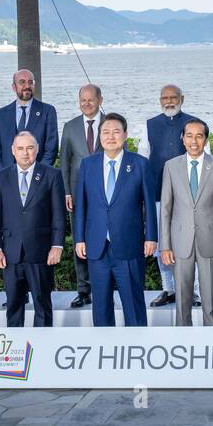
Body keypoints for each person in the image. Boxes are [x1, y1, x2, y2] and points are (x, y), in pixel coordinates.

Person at [74, 113, 157, 327]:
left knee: (134, 306)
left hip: (129, 246)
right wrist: (79, 239)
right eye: (106, 132)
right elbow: (81, 205)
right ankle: (105, 352)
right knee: (100, 308)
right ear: (100, 136)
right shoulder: (88, 165)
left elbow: (149, 203)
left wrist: (151, 238)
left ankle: (137, 352)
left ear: (126, 135)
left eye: (116, 131)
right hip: (97, 247)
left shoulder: (139, 164)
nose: (111, 136)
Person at [159, 119, 213, 327]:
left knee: (210, 302)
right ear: (182, 139)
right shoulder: (171, 167)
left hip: (210, 240)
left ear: (205, 139)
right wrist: (165, 246)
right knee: (182, 303)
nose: (194, 141)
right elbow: (165, 209)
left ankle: (211, 343)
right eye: (189, 135)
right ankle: (184, 345)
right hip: (180, 241)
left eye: (199, 136)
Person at [0, 131, 66, 327]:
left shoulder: (52, 175)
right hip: (11, 253)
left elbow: (58, 215)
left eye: (30, 148)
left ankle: (43, 347)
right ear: (13, 151)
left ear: (37, 149)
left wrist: (57, 246)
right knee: (14, 306)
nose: (25, 153)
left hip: (40, 252)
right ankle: (15, 350)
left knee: (42, 304)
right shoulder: (2, 177)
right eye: (20, 148)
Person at [138, 84, 201, 309]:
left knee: (188, 244)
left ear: (182, 98)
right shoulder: (149, 125)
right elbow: (142, 160)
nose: (169, 101)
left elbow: (206, 160)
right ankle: (169, 289)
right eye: (164, 98)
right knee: (161, 244)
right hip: (156, 194)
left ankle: (191, 291)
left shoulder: (195, 124)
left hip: (188, 197)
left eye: (173, 97)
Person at [59, 83, 105, 308]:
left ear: (100, 100)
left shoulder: (111, 124)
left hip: (107, 195)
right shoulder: (70, 127)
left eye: (91, 99)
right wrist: (67, 191)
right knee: (81, 241)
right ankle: (83, 290)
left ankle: (104, 287)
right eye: (83, 100)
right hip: (78, 195)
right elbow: (65, 161)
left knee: (106, 239)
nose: (87, 103)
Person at [0, 69, 59, 173]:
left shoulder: (48, 111)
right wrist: (4, 176)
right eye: (22, 82)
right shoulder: (0, 115)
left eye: (30, 82)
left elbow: (51, 148)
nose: (27, 86)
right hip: (8, 179)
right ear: (14, 87)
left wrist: (39, 174)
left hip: (38, 178)